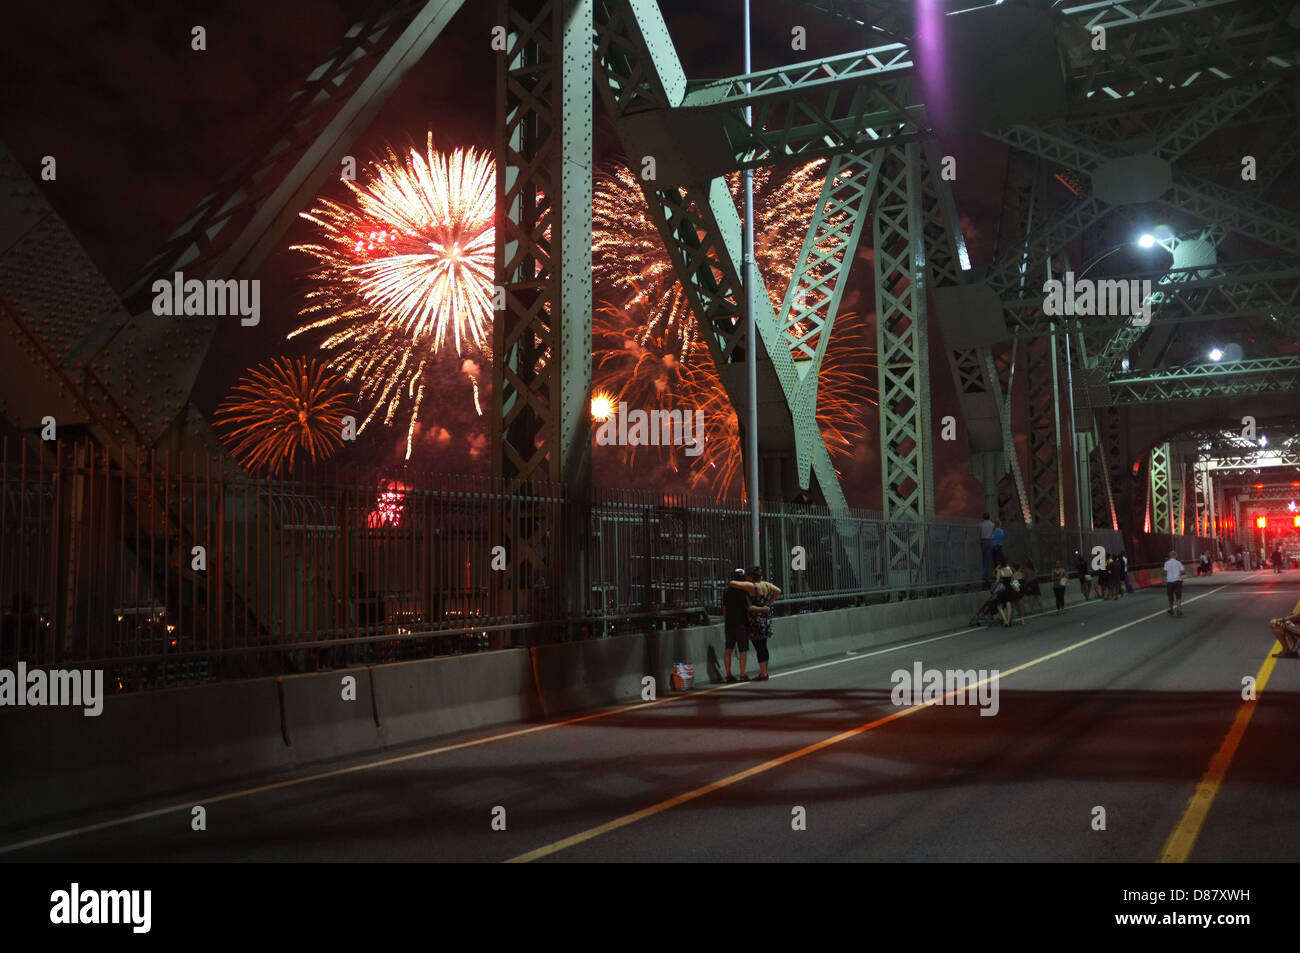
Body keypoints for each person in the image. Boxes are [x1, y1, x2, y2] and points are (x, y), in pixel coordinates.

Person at [730, 566, 782, 681]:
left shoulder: (752, 587)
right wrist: (769, 602)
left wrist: (741, 579)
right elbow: (778, 591)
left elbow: (733, 583)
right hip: (766, 619)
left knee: (759, 647)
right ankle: (764, 672)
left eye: (747, 576)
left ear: (751, 577)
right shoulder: (767, 585)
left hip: (755, 621)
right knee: (764, 646)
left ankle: (763, 674)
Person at [722, 568, 751, 682]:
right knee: (742, 650)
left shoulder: (727, 590)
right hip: (741, 624)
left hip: (729, 624)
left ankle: (728, 675)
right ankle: (742, 675)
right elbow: (748, 608)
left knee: (728, 649)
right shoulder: (743, 591)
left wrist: (727, 620)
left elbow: (724, 608)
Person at [1163, 550, 1186, 617]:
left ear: (1169, 556)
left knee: (1170, 596)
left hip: (1170, 582)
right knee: (1178, 596)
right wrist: (1178, 574)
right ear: (1175, 556)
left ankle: (1171, 609)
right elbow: (1183, 572)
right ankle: (1179, 609)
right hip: (1178, 581)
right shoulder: (1178, 563)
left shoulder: (1166, 563)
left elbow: (1165, 573)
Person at [979, 513, 995, 581]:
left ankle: (984, 575)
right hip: (990, 541)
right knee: (988, 559)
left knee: (984, 558)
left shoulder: (981, 524)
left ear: (983, 517)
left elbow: (979, 533)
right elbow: (993, 533)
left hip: (983, 541)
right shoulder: (992, 524)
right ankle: (987, 575)